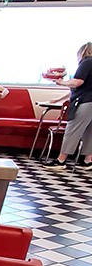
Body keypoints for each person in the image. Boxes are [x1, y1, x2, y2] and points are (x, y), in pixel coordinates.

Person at [44, 42, 92, 170]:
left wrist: (61, 82)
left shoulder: (86, 62)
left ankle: (61, 160)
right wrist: (58, 99)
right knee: (90, 132)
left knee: (72, 130)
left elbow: (77, 83)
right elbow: (79, 88)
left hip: (86, 102)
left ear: (82, 52)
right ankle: (88, 161)